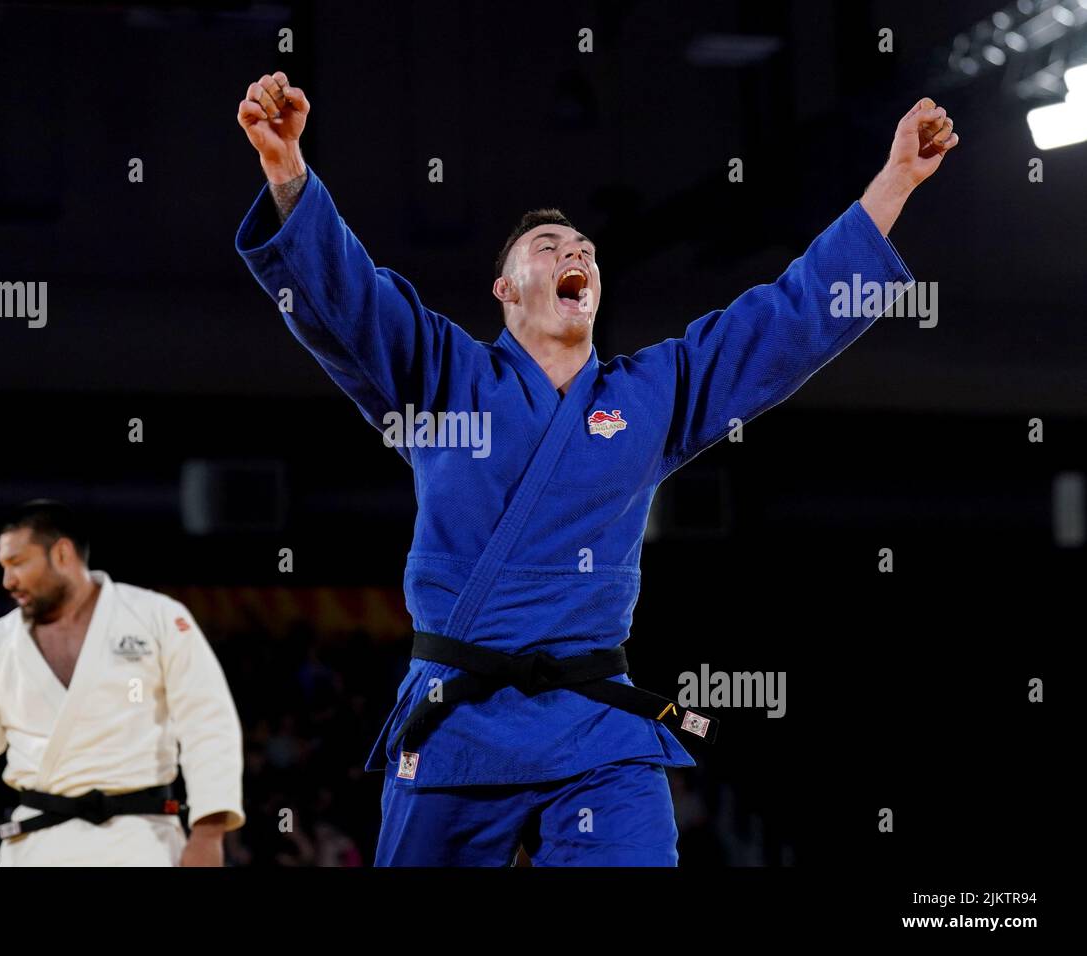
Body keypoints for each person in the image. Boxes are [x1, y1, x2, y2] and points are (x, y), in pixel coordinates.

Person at [235, 72, 956, 865]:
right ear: (506, 290)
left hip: (596, 727)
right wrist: (286, 171)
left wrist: (892, 184)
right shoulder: (444, 377)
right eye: (548, 248)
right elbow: (353, 298)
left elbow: (783, 321)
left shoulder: (652, 393)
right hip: (456, 721)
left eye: (584, 249)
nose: (573, 252)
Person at [0, 500, 244, 866]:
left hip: (144, 842)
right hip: (36, 846)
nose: (7, 580)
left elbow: (208, 723)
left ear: (62, 554)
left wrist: (208, 833)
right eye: (3, 567)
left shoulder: (157, 618)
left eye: (18, 563)